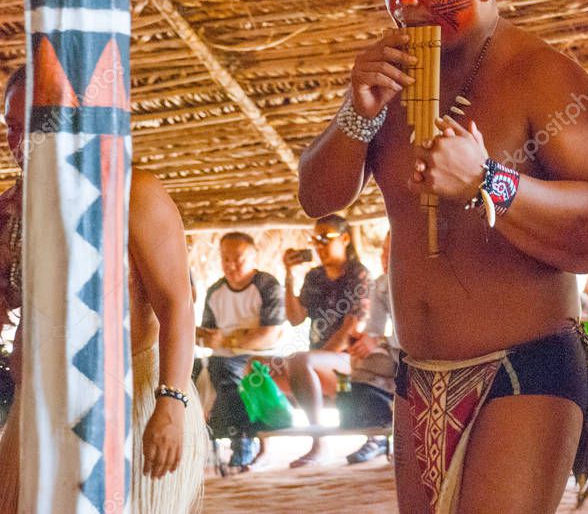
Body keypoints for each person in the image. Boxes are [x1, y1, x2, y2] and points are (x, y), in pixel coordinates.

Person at [297, 0, 588, 511]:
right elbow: (315, 196)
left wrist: (489, 182)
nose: (406, 2)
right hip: (417, 373)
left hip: (524, 365)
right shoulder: (388, 73)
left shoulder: (543, 74)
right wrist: (355, 112)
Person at [0, 66, 206, 513]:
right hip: (39, 403)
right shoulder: (17, 208)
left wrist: (169, 405)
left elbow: (177, 305)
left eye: (34, 125)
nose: (19, 143)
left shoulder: (135, 193)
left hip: (131, 398)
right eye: (12, 129)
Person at [282, 214, 371, 468]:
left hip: (347, 364)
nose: (319, 245)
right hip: (315, 362)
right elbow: (295, 318)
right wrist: (288, 275)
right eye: (315, 239)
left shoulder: (359, 274)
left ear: (344, 239)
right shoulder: (314, 277)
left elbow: (351, 328)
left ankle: (319, 444)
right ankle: (258, 446)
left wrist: (315, 359)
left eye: (325, 238)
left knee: (300, 361)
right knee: (256, 368)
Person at [198, 232, 283, 471]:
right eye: (225, 258)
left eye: (238, 258)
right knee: (194, 371)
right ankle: (208, 439)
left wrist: (226, 339)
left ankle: (241, 440)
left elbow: (268, 334)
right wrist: (205, 336)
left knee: (224, 370)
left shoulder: (267, 285)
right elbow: (209, 334)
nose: (231, 264)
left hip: (263, 356)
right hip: (223, 357)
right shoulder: (215, 290)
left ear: (254, 256)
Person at [344, 229, 400, 464]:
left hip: (418, 354)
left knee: (366, 363)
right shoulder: (381, 284)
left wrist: (378, 341)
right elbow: (375, 327)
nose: (384, 257)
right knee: (359, 358)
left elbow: (418, 335)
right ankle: (376, 432)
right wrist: (363, 338)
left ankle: (389, 425)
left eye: (391, 251)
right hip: (394, 353)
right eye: (383, 251)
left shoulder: (421, 282)